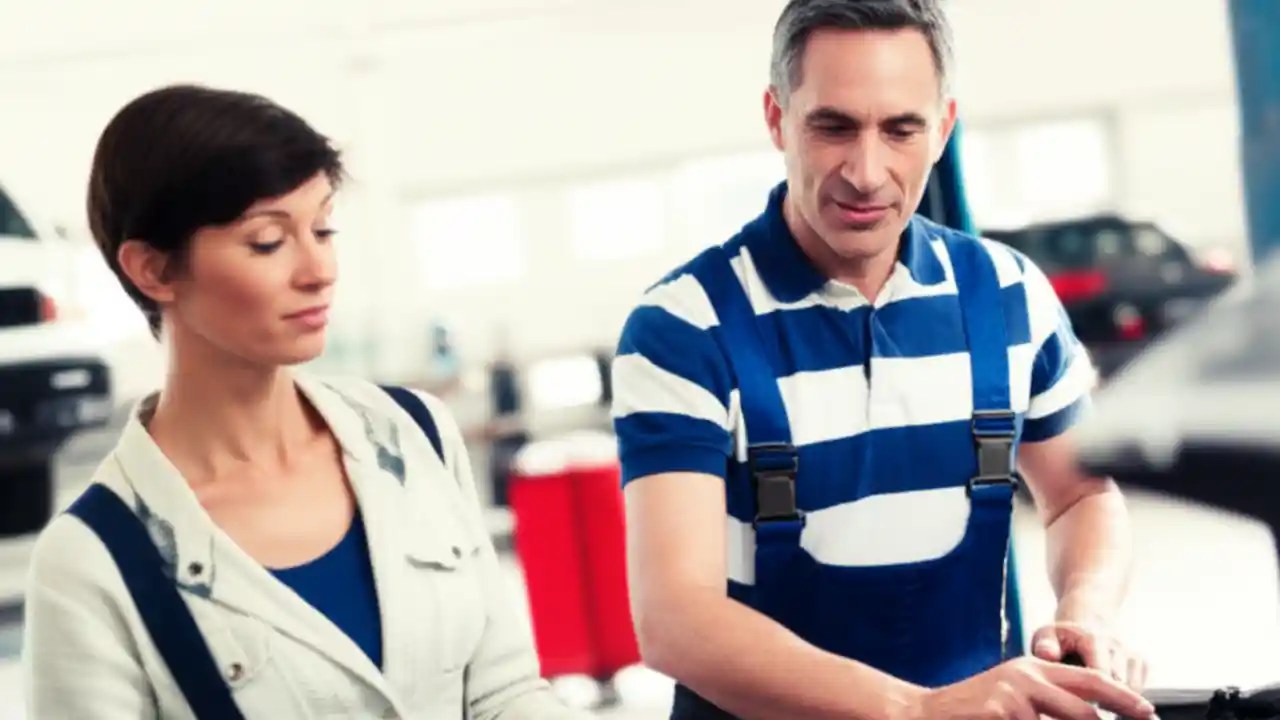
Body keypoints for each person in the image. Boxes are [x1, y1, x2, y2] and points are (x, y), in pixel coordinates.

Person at [611, 2, 1156, 718]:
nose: (867, 173)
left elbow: (1083, 496)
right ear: (777, 120)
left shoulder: (1009, 295)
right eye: (833, 127)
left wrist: (1085, 608)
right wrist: (918, 711)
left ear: (943, 127)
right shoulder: (685, 327)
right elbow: (675, 620)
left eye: (901, 129)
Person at [21, 84, 583, 719]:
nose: (319, 269)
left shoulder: (413, 434)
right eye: (268, 241)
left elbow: (503, 694)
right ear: (153, 270)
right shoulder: (93, 562)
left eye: (323, 227)